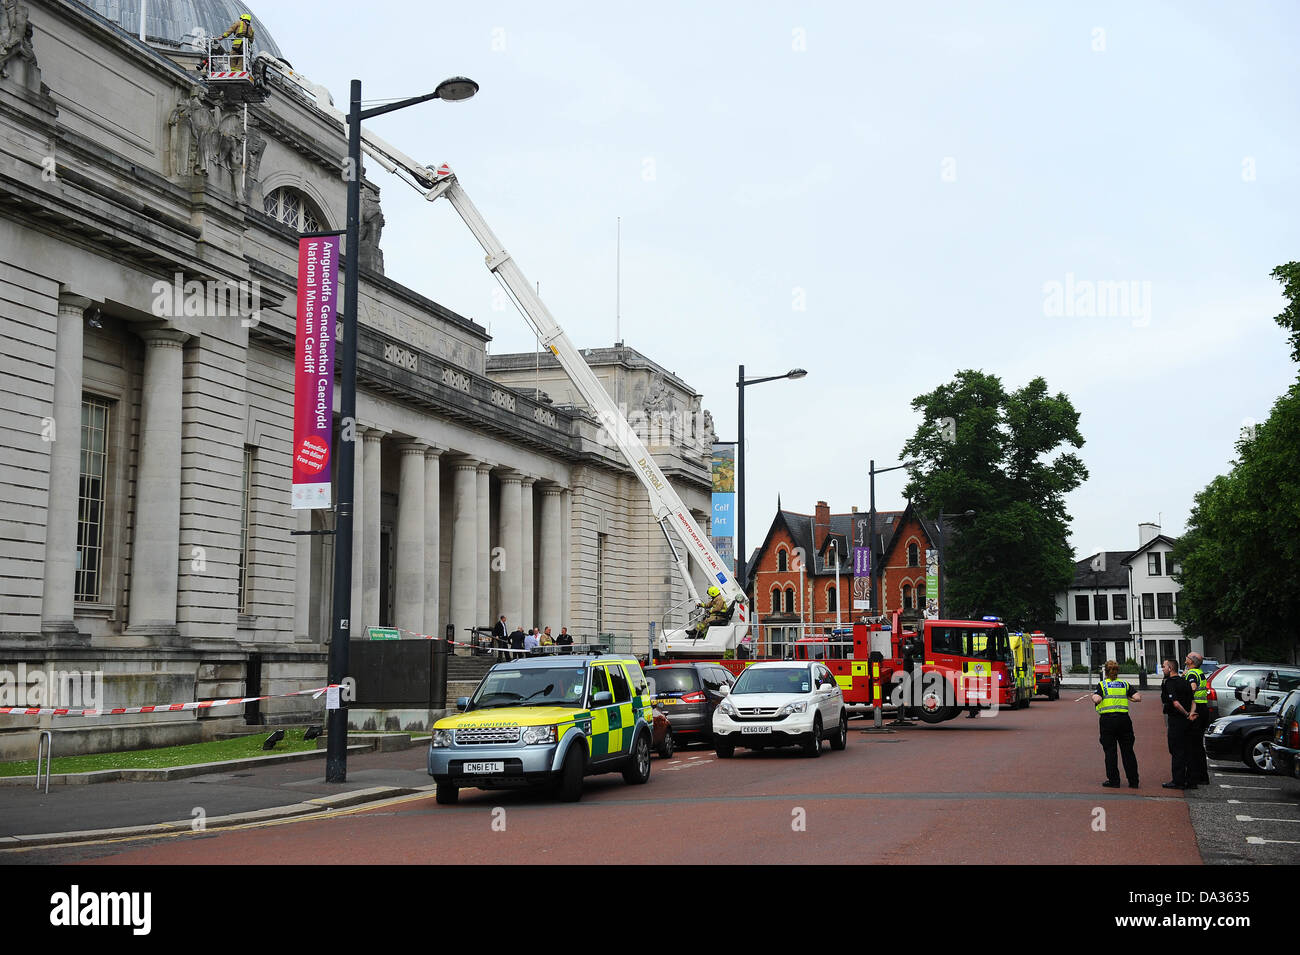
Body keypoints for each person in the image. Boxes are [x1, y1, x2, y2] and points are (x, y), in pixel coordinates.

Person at [1091, 659, 1142, 789]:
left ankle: (1114, 781)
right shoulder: (1124, 684)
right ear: (1117, 671)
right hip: (1124, 720)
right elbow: (1138, 697)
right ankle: (1133, 781)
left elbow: (1097, 699)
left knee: (1110, 752)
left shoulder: (1102, 685)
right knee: (1128, 751)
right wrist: (1128, 698)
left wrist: (1094, 697)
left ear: (1106, 672)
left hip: (1107, 721)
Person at [1160, 658, 1197, 790]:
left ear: (1170, 668)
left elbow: (1175, 703)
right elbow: (1193, 701)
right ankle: (1191, 780)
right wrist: (1191, 714)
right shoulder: (1185, 681)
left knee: (1176, 750)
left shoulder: (1170, 683)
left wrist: (1186, 714)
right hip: (1188, 721)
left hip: (1177, 720)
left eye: (1164, 667)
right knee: (1188, 750)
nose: (1162, 669)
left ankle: (1178, 781)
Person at [1183, 652, 1210, 786]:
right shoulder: (1199, 672)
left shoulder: (1192, 673)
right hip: (1203, 708)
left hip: (1196, 709)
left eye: (1187, 657)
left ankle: (1194, 776)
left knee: (1192, 744)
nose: (1185, 658)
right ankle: (1202, 776)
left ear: (1191, 661)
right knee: (1198, 745)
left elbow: (1192, 687)